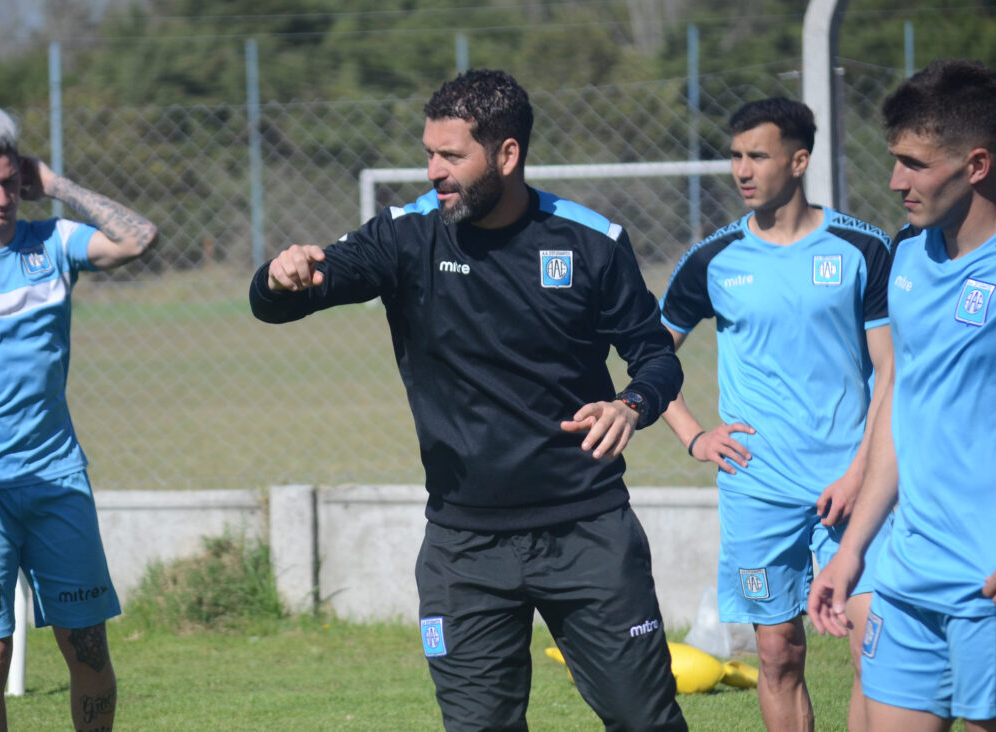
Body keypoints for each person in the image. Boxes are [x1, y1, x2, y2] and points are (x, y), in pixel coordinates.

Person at [250, 69, 687, 731]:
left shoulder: (591, 242)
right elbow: (288, 296)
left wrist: (631, 405)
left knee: (646, 722)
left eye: (451, 155)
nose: (432, 170)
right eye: (428, 152)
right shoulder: (405, 236)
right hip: (465, 547)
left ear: (506, 155)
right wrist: (281, 278)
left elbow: (655, 355)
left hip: (587, 532)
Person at [657, 97, 894, 732]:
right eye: (734, 155)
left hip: (852, 485)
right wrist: (694, 435)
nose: (741, 169)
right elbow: (648, 358)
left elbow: (891, 372)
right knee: (778, 653)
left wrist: (863, 470)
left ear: (799, 160)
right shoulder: (712, 259)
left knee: (873, 649)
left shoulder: (861, 248)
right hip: (757, 492)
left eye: (756, 155)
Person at [808, 59, 996, 732]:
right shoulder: (910, 257)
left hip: (988, 587)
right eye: (895, 160)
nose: (895, 182)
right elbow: (901, 404)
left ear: (976, 164)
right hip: (907, 573)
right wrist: (854, 549)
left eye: (915, 164)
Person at [0, 108, 158, 731]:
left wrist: (55, 184)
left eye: (8, 182)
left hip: (56, 480)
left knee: (88, 651)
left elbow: (141, 238)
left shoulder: (51, 244)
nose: (1, 198)